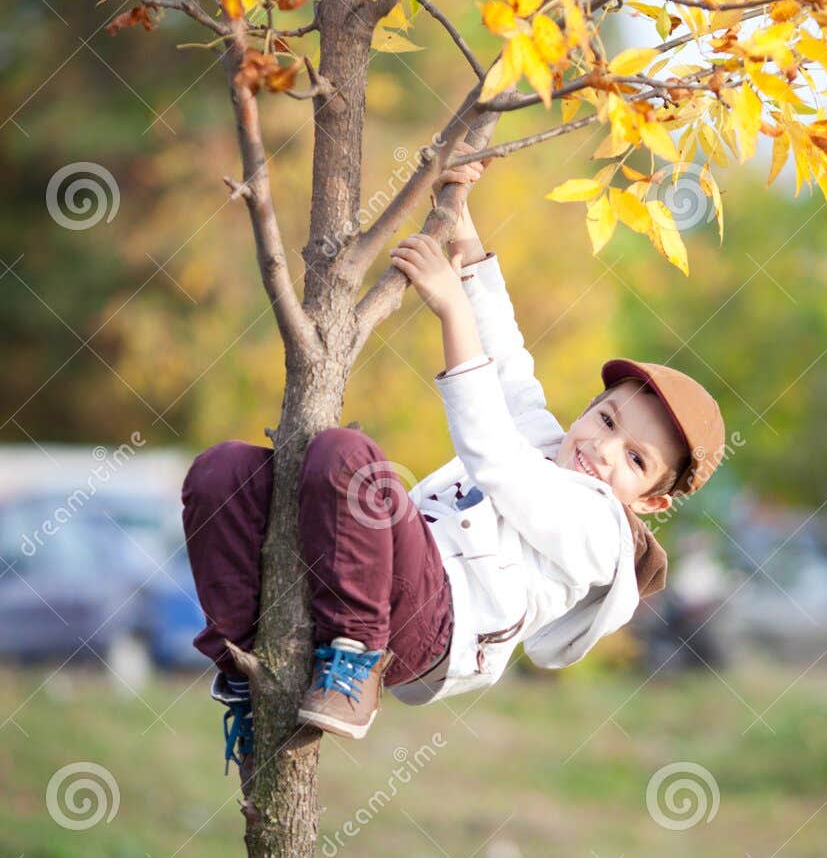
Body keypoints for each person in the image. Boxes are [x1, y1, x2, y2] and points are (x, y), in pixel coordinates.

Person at [180, 142, 727, 797]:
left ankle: (355, 666)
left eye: (634, 461)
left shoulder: (600, 532)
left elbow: (494, 459)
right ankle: (245, 661)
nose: (604, 450)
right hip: (384, 580)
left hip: (433, 626)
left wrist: (448, 309)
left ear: (649, 503)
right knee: (224, 472)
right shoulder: (546, 442)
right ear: (587, 410)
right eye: (606, 422)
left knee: (348, 460)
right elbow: (507, 360)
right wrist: (461, 223)